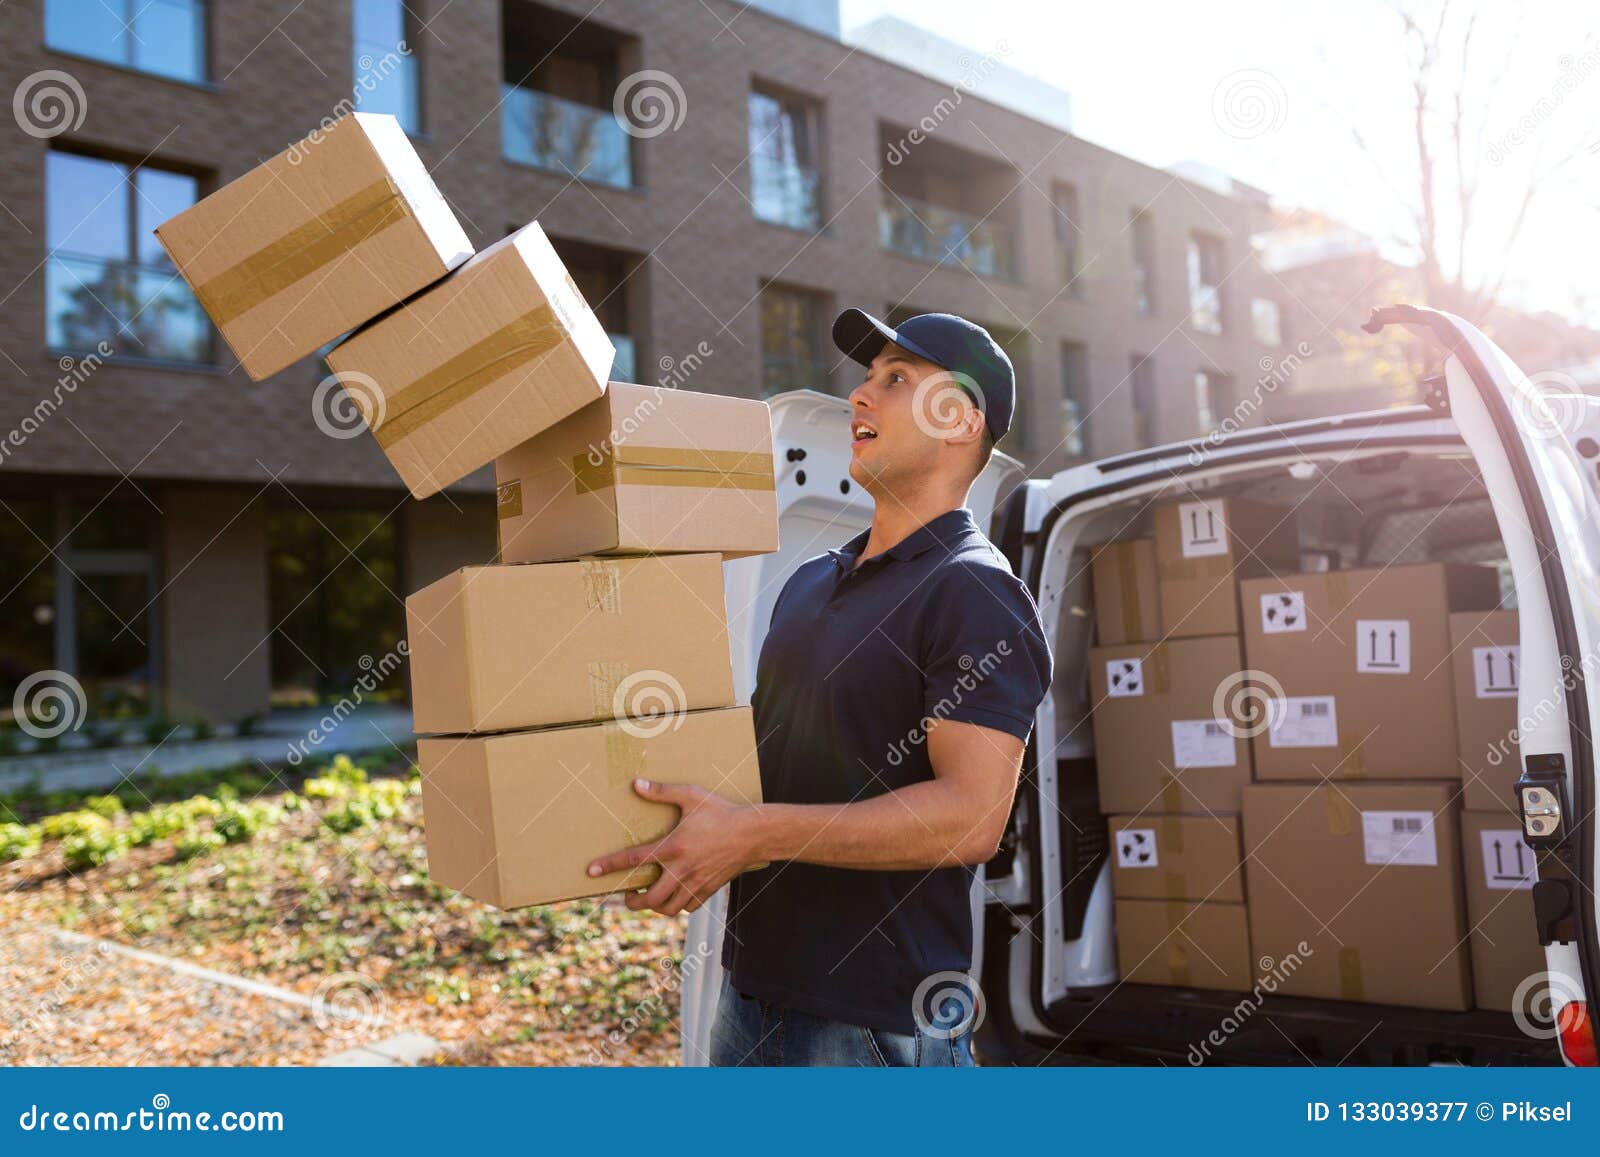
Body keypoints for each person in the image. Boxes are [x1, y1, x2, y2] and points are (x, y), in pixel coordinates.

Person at [586, 310, 1053, 1066]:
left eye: (894, 379)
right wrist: (657, 829)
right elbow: (763, 773)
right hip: (750, 997)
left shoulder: (972, 590)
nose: (860, 398)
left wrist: (755, 833)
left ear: (960, 420)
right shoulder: (809, 582)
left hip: (870, 1027)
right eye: (866, 379)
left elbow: (972, 816)